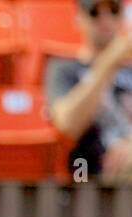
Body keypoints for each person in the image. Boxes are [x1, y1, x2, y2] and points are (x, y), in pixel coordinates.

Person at [46, 0, 132, 182]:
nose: (105, 20)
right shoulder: (64, 69)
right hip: (87, 172)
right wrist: (107, 64)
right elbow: (68, 125)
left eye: (114, 11)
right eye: (94, 13)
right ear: (79, 18)